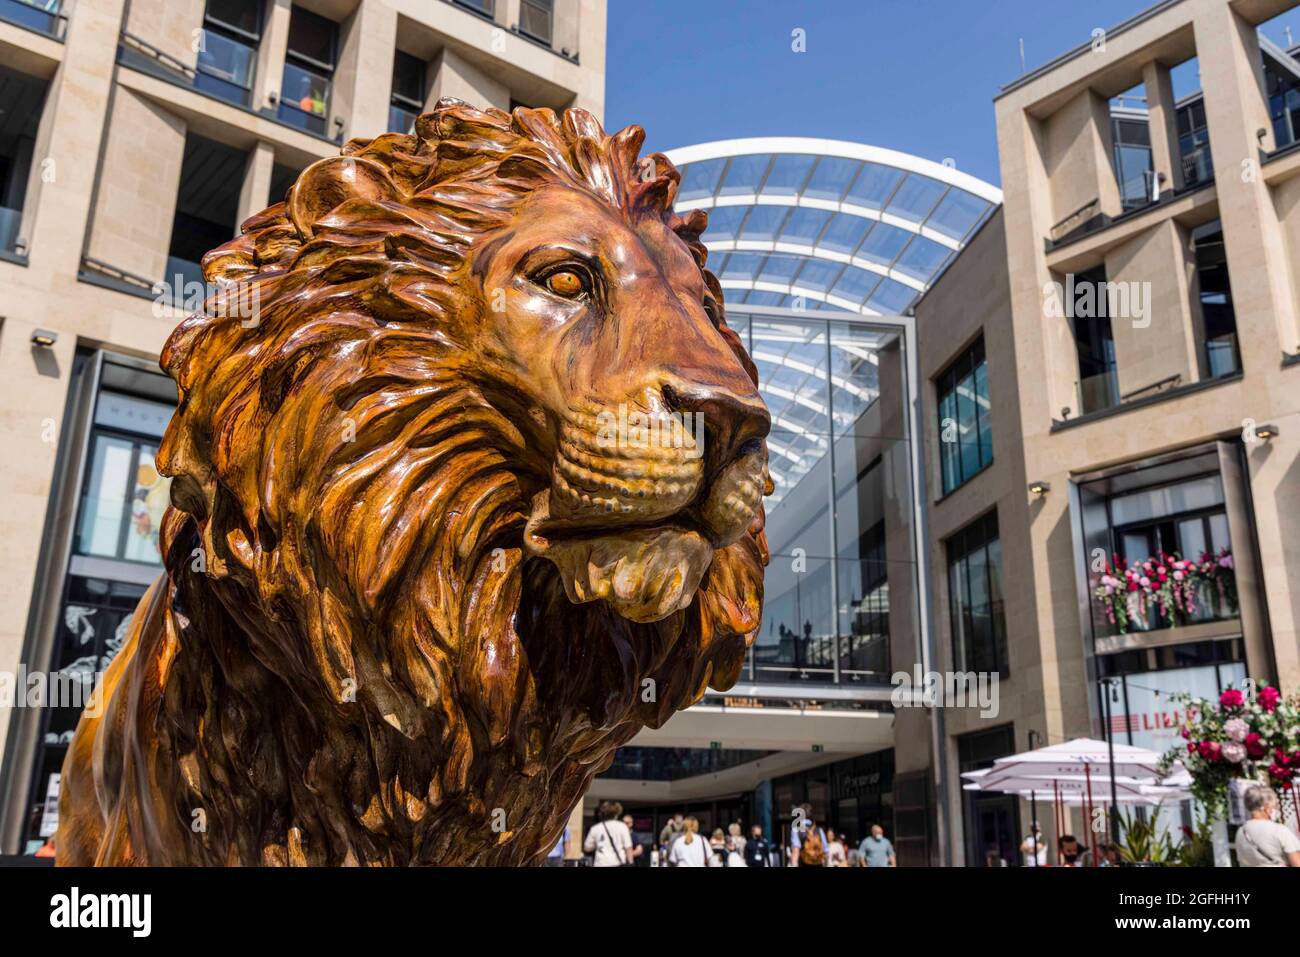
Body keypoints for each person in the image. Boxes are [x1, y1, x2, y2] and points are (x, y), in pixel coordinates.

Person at [1237, 785, 1300, 867]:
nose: (1276, 809)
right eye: (1274, 806)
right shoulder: (1279, 830)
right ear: (1266, 807)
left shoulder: (1241, 832)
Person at [583, 800, 634, 867]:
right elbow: (628, 848)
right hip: (618, 863)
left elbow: (587, 847)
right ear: (616, 813)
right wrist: (631, 863)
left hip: (601, 863)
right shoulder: (622, 826)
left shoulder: (595, 828)